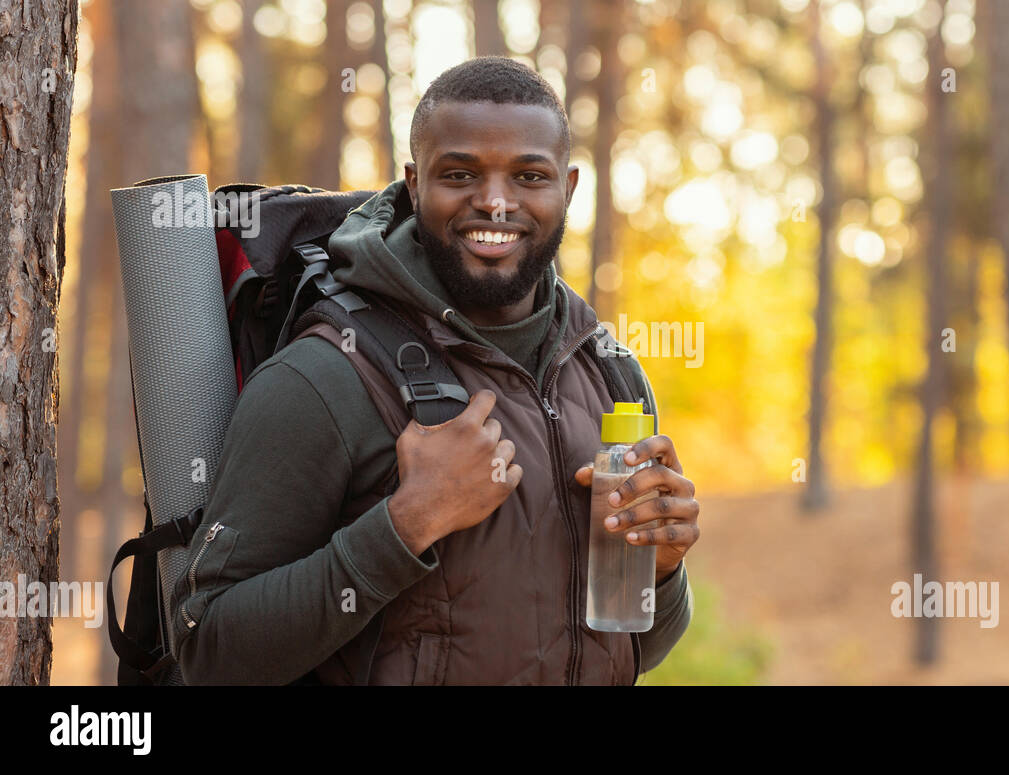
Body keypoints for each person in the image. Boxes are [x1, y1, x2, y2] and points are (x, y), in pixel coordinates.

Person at [172, 56, 699, 685]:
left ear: (569, 187)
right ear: (414, 185)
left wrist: (662, 571)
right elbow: (208, 651)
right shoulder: (326, 376)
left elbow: (633, 649)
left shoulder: (610, 373)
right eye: (460, 174)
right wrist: (407, 524)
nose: (496, 203)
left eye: (529, 175)